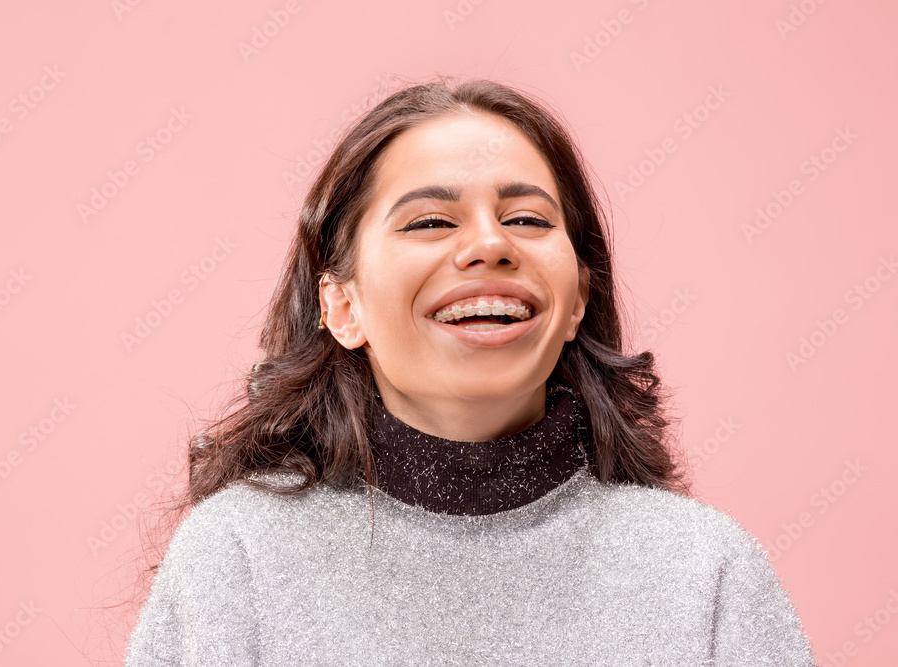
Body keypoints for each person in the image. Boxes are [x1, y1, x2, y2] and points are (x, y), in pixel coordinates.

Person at [124, 78, 816, 665]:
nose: (490, 244)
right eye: (429, 222)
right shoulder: (235, 557)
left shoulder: (704, 571)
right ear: (342, 304)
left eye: (525, 218)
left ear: (577, 297)